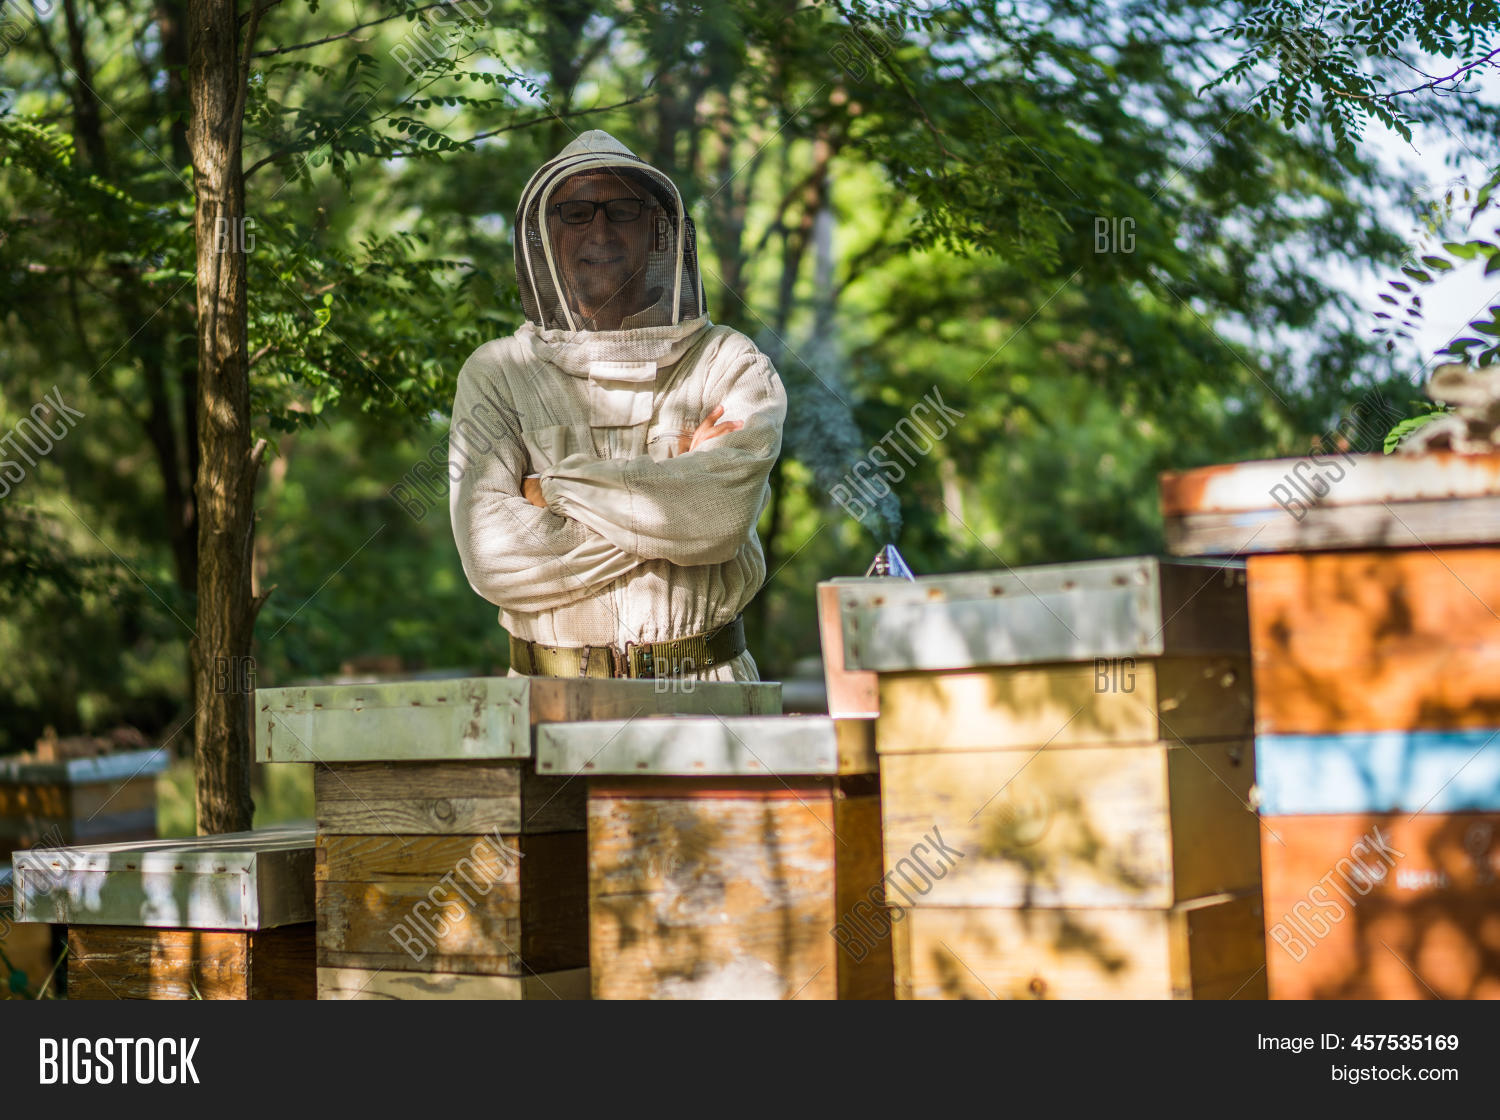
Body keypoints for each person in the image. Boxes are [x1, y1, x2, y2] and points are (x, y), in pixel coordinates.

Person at [448, 129, 787, 682]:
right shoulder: (498, 373)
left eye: (621, 209)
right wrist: (670, 498)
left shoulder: (730, 361)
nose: (599, 229)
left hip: (704, 693)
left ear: (656, 229)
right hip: (547, 700)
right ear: (547, 234)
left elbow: (719, 522)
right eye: (576, 212)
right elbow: (495, 560)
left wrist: (551, 491)